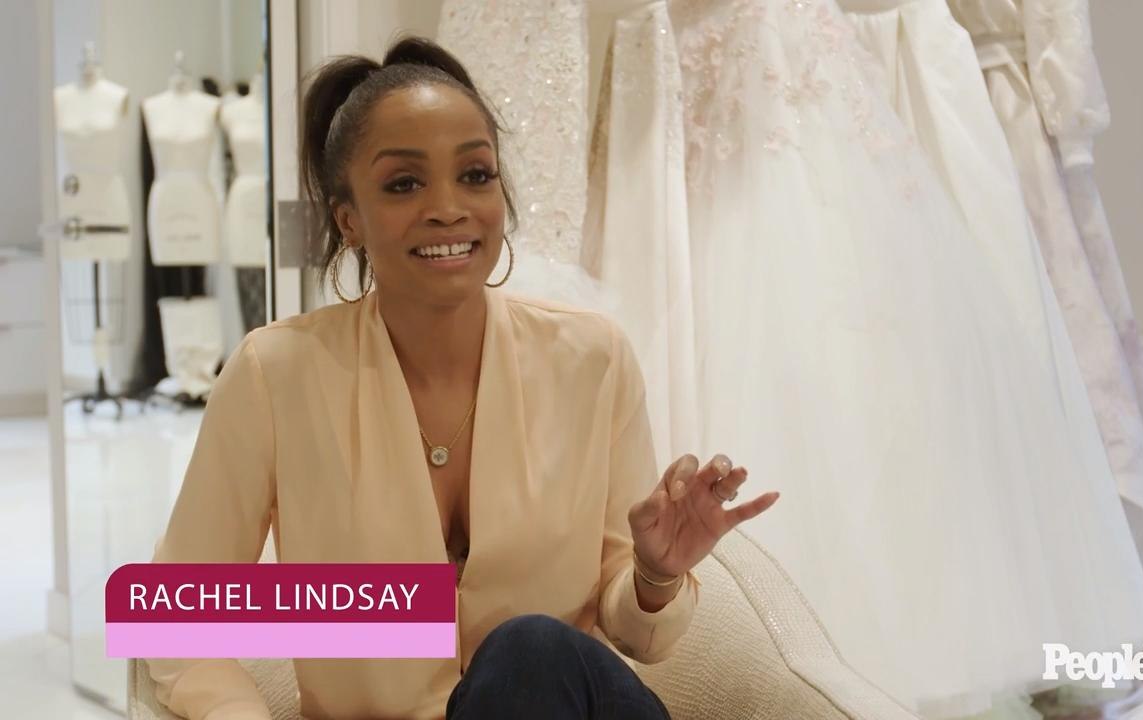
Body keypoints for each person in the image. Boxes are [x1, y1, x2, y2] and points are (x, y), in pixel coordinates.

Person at [145, 36, 779, 720]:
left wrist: (654, 575)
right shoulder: (274, 377)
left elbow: (634, 635)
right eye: (404, 183)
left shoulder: (592, 359)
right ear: (348, 219)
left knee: (531, 651)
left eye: (475, 175)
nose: (448, 207)